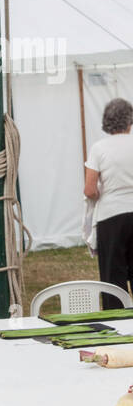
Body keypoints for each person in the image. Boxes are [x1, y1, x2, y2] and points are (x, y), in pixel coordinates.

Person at [84, 97, 133, 308]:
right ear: (130, 120)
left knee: (113, 279)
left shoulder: (99, 148)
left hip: (111, 216)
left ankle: (118, 324)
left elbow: (89, 189)